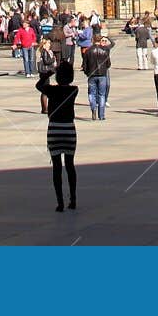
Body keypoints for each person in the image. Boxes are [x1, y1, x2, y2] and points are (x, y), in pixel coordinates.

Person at [36, 58, 78, 212]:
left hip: (54, 128)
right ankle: (73, 199)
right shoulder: (74, 90)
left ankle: (60, 202)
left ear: (58, 76)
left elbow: (39, 85)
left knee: (57, 167)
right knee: (70, 165)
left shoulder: (51, 90)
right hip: (69, 129)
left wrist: (49, 73)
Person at [81, 26, 111, 120]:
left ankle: (93, 108)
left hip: (92, 74)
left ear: (93, 40)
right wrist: (104, 69)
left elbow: (84, 65)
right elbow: (108, 64)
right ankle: (101, 115)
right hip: (102, 75)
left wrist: (87, 73)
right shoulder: (104, 50)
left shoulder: (88, 51)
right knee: (102, 94)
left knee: (91, 93)